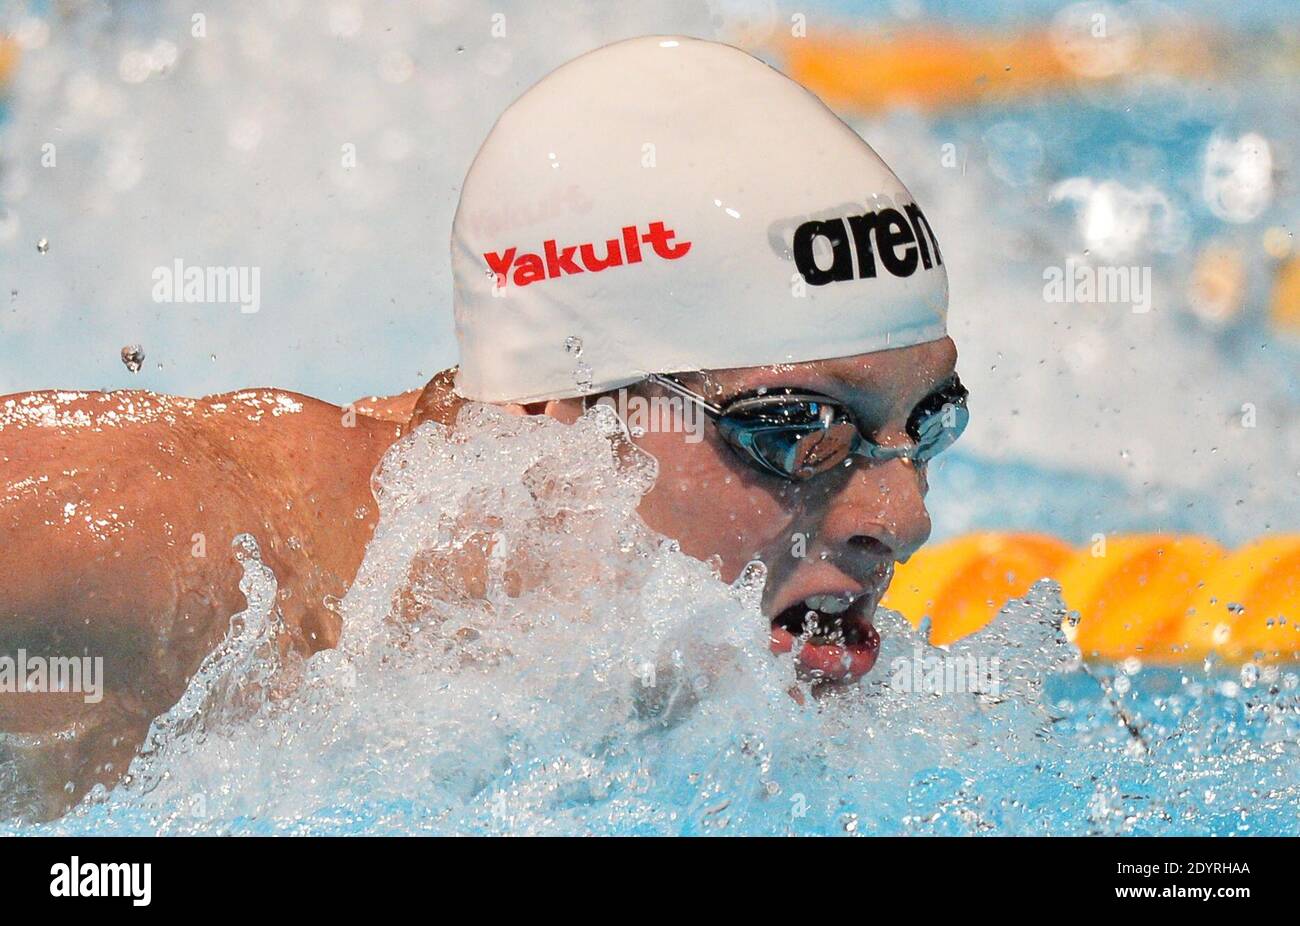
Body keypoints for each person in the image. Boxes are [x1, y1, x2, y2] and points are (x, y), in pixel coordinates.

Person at [0, 35, 964, 820]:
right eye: (796, 430)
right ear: (550, 415)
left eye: (925, 424)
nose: (904, 514)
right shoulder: (187, 557)